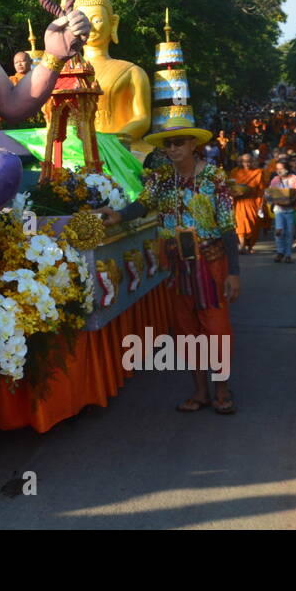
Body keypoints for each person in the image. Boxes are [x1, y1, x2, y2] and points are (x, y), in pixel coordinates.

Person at [99, 125, 241, 415]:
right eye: (168, 145)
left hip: (211, 262)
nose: (173, 149)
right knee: (186, 330)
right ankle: (200, 392)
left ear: (192, 145)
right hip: (176, 264)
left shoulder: (214, 177)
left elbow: (227, 226)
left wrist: (234, 272)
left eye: (178, 143)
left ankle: (222, 390)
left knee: (216, 329)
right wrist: (118, 216)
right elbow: (142, 206)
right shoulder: (162, 179)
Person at [265, 159, 296, 263]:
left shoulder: (293, 178)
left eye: (281, 168)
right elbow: (270, 192)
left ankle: (288, 254)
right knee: (279, 231)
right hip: (279, 210)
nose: (279, 171)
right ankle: (280, 252)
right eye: (277, 169)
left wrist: (292, 200)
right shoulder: (275, 180)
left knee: (289, 232)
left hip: (291, 209)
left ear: (287, 169)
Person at [228, 153, 266, 254]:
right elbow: (230, 186)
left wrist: (261, 203)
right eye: (244, 161)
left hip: (252, 201)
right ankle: (241, 244)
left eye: (249, 161)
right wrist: (233, 194)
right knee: (240, 223)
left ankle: (250, 245)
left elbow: (261, 189)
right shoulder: (235, 172)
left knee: (253, 224)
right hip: (239, 201)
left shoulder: (258, 172)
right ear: (240, 162)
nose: (247, 164)